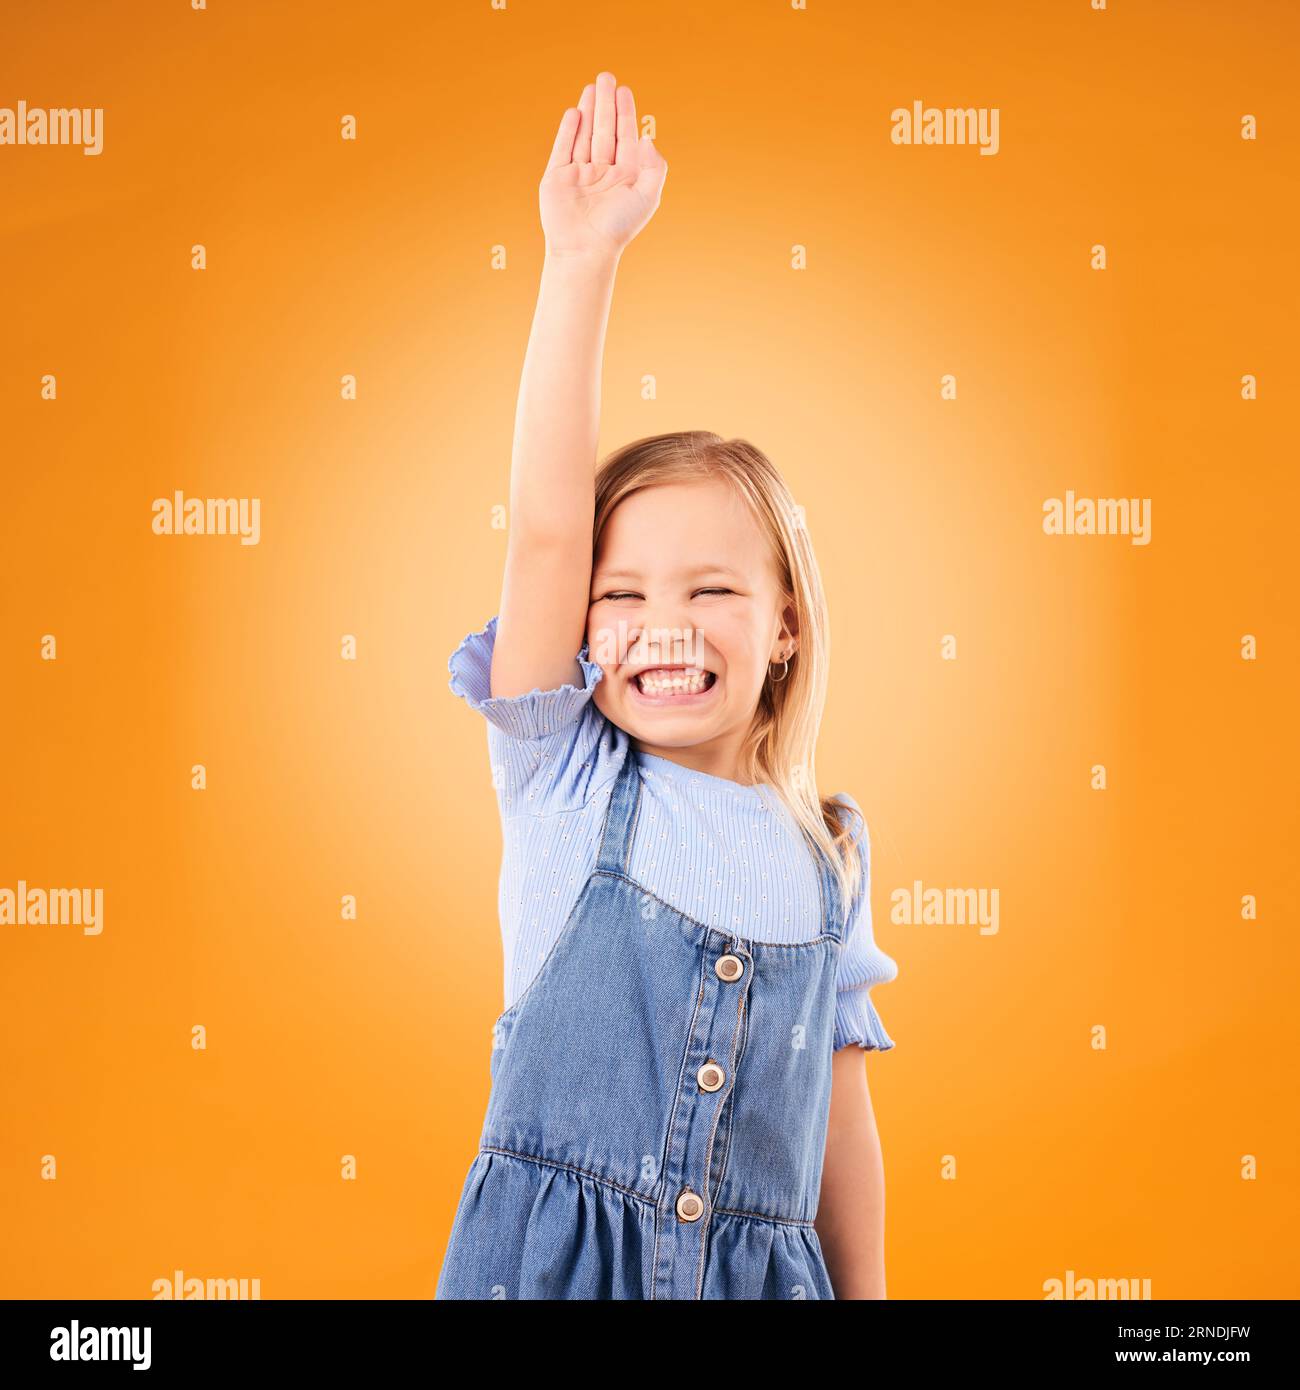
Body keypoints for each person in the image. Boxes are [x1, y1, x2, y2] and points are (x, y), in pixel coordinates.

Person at [436, 71, 898, 1300]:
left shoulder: (830, 853)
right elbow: (545, 529)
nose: (660, 627)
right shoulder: (562, 774)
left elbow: (840, 1127)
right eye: (622, 594)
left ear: (786, 627)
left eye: (712, 591)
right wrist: (580, 258)